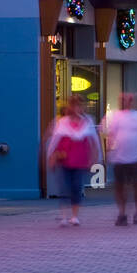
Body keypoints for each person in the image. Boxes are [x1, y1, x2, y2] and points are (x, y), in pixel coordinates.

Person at [45, 94, 101, 226]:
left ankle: (75, 216)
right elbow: (54, 140)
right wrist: (51, 157)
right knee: (64, 187)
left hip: (80, 160)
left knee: (77, 187)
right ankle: (64, 216)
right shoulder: (62, 122)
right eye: (74, 105)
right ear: (70, 106)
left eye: (79, 105)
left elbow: (94, 141)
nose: (77, 108)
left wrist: (95, 158)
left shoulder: (88, 122)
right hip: (64, 159)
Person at [103, 93, 137, 226]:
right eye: (122, 100)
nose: (125, 102)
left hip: (136, 157)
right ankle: (122, 213)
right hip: (119, 158)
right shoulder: (114, 117)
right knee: (119, 186)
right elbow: (110, 135)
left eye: (128, 100)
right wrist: (108, 152)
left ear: (133, 102)